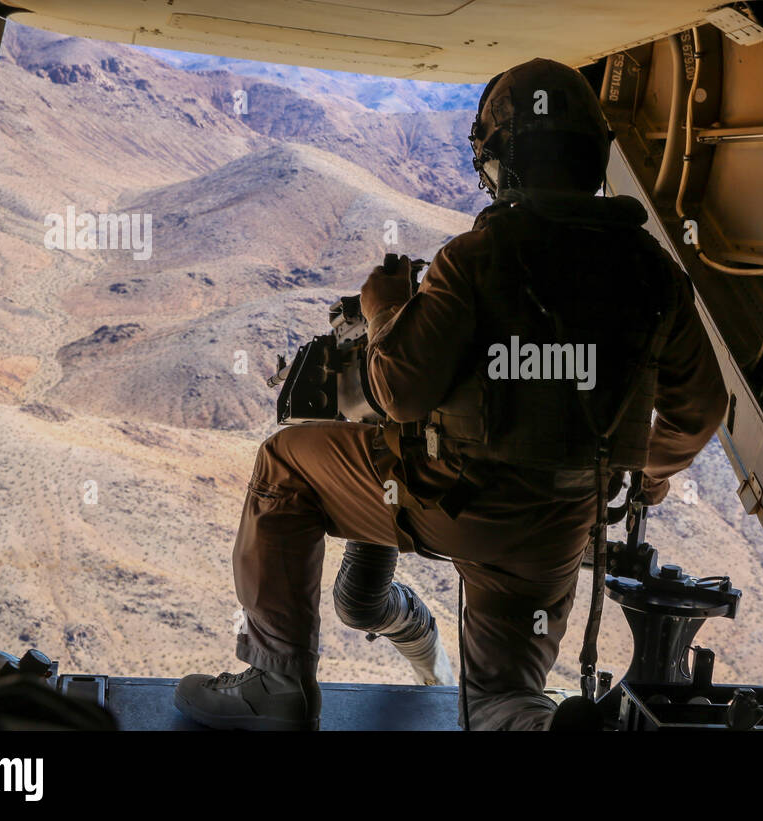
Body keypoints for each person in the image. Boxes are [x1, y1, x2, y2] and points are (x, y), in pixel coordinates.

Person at [173, 57, 727, 731]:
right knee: (501, 695)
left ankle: (275, 683)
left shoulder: (479, 256)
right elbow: (700, 412)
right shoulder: (654, 273)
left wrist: (385, 310)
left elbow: (400, 391)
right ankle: (549, 726)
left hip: (451, 496)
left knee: (284, 464)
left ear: (505, 162)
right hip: (554, 529)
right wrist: (639, 473)